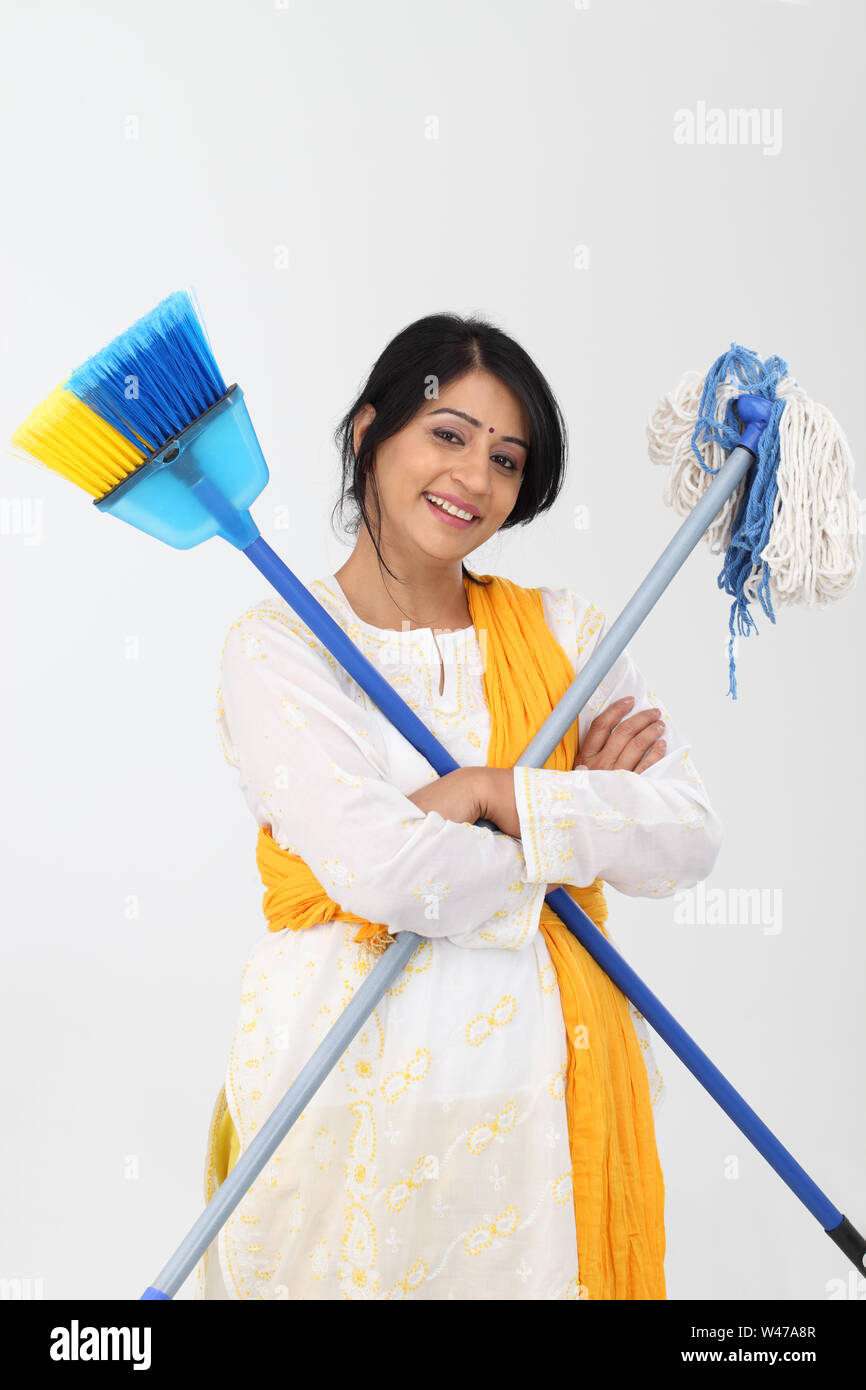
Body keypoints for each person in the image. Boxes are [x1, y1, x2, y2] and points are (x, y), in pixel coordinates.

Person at [195, 313, 722, 1300]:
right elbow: (385, 869)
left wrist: (488, 793)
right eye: (448, 434)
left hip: (544, 1125)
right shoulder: (277, 646)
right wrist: (579, 815)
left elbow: (685, 836)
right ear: (367, 433)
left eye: (507, 458)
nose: (475, 479)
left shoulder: (564, 632)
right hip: (340, 1109)